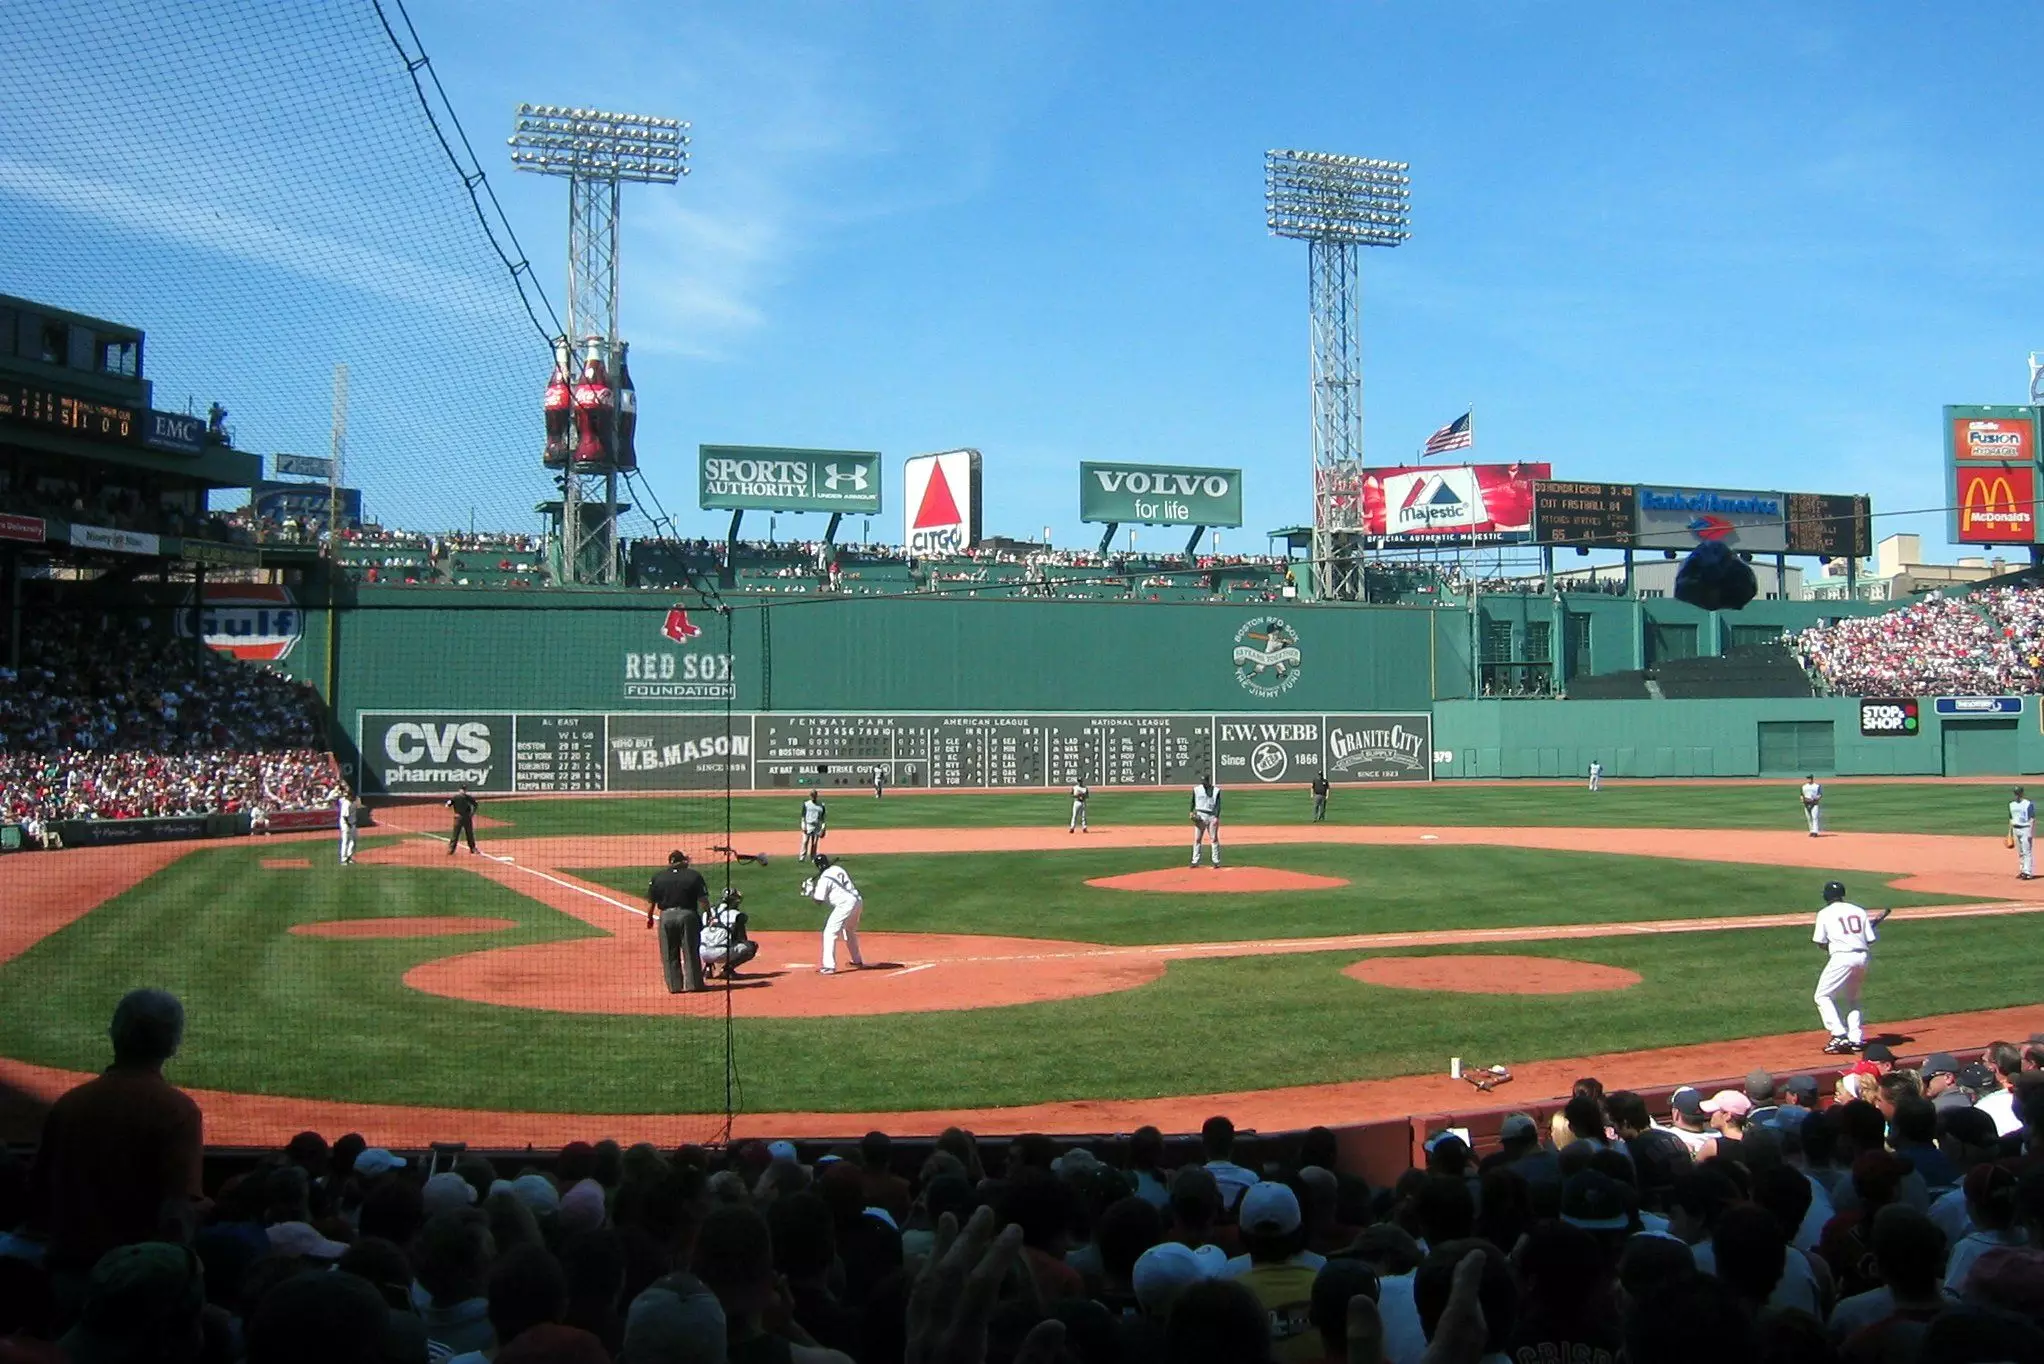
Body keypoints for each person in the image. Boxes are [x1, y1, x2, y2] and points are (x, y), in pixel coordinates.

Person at [30, 989, 203, 1278]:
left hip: (67, 1271)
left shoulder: (70, 1103)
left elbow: (39, 1191)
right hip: (134, 1278)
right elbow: (177, 1214)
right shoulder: (177, 1110)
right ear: (173, 1044)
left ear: (114, 1033)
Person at [1814, 880, 1886, 1055]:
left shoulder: (1825, 913)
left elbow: (1820, 942)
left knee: (1822, 995)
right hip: (1862, 957)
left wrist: (1831, 945)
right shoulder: (1858, 910)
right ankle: (1856, 1038)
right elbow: (1870, 939)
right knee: (1853, 998)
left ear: (1826, 896)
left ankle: (1838, 1034)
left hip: (1842, 957)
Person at [647, 850, 709, 994]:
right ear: (682, 861)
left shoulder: (658, 877)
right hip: (687, 915)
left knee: (669, 953)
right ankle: (694, 984)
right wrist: (709, 914)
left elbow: (651, 902)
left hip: (666, 917)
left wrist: (649, 918)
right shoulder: (694, 875)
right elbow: (703, 900)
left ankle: (674, 986)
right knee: (690, 950)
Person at [807, 854, 865, 975]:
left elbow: (818, 900)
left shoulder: (824, 879)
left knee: (829, 932)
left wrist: (810, 892)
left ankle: (829, 966)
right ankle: (857, 960)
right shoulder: (838, 869)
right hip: (857, 901)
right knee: (849, 930)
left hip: (845, 905)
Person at [700, 888, 759, 981]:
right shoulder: (736, 915)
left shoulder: (707, 912)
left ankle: (708, 968)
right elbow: (741, 938)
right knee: (751, 947)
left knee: (708, 938)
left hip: (703, 952)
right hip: (722, 952)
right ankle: (727, 969)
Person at [1190, 775, 1221, 868]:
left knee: (1214, 838)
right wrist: (1191, 812)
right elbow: (1192, 801)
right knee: (1197, 839)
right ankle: (1195, 861)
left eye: (1205, 782)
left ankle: (1216, 861)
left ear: (1208, 781)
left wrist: (1216, 816)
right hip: (1200, 815)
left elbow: (1218, 805)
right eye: (1202, 781)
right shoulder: (1196, 789)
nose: (1203, 783)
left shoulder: (1216, 790)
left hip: (1211, 815)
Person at [447, 785, 480, 855]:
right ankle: (451, 849)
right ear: (459, 790)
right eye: (462, 789)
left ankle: (473, 848)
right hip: (458, 818)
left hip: (467, 818)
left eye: (464, 790)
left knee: (469, 834)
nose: (463, 791)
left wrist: (472, 813)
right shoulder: (455, 798)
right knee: (455, 834)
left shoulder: (468, 798)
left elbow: (475, 804)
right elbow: (448, 804)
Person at [2012, 785, 2035, 880]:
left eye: (2018, 793)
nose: (2017, 795)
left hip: (2025, 828)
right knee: (2020, 852)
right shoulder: (2011, 804)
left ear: (2022, 793)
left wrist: (2030, 831)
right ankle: (2022, 870)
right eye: (2016, 793)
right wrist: (2009, 832)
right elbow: (2011, 818)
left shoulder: (2028, 803)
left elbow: (2032, 818)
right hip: (2015, 829)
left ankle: (2028, 872)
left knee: (2027, 851)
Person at [798, 792, 827, 861]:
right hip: (808, 825)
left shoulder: (821, 805)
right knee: (805, 841)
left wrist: (823, 828)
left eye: (814, 796)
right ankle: (802, 857)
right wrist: (803, 826)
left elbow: (823, 818)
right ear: (810, 796)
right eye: (812, 796)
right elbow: (803, 817)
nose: (813, 797)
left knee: (814, 843)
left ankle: (813, 857)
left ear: (816, 796)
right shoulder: (806, 804)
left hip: (817, 826)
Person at [337, 785, 358, 866]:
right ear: (349, 796)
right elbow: (345, 816)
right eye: (353, 796)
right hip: (346, 824)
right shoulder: (346, 803)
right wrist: (349, 825)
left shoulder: (353, 802)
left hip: (352, 823)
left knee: (354, 841)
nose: (354, 797)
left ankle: (349, 857)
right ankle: (343, 859)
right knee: (345, 841)